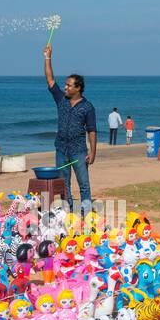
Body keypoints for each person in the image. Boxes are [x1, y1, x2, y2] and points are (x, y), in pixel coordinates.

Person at [43, 44, 96, 212]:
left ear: (78, 87)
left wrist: (93, 151)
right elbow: (51, 81)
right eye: (65, 85)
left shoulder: (87, 107)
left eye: (68, 85)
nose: (65, 87)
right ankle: (68, 213)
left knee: (84, 184)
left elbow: (92, 130)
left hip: (79, 151)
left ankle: (86, 215)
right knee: (63, 184)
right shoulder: (61, 99)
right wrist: (47, 58)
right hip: (61, 149)